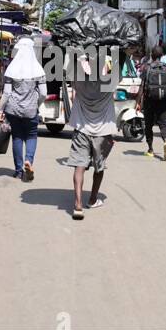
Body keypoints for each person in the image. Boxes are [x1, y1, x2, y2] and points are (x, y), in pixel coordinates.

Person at [66, 51, 117, 220]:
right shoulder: (109, 81)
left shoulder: (79, 81)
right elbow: (120, 62)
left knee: (79, 166)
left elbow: (72, 65)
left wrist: (76, 54)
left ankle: (78, 204)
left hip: (81, 128)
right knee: (99, 166)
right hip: (102, 131)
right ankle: (93, 199)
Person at [0, 38, 47, 182]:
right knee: (31, 136)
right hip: (31, 110)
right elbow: (43, 93)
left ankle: (18, 171)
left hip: (13, 110)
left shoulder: (11, 69)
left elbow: (6, 93)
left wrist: (0, 109)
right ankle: (28, 161)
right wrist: (36, 104)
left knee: (17, 137)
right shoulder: (38, 70)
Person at [137, 46, 166, 161]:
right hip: (163, 100)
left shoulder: (147, 68)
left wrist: (138, 102)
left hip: (149, 100)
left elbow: (142, 86)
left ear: (152, 55)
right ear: (161, 55)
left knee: (148, 125)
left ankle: (150, 149)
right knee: (163, 123)